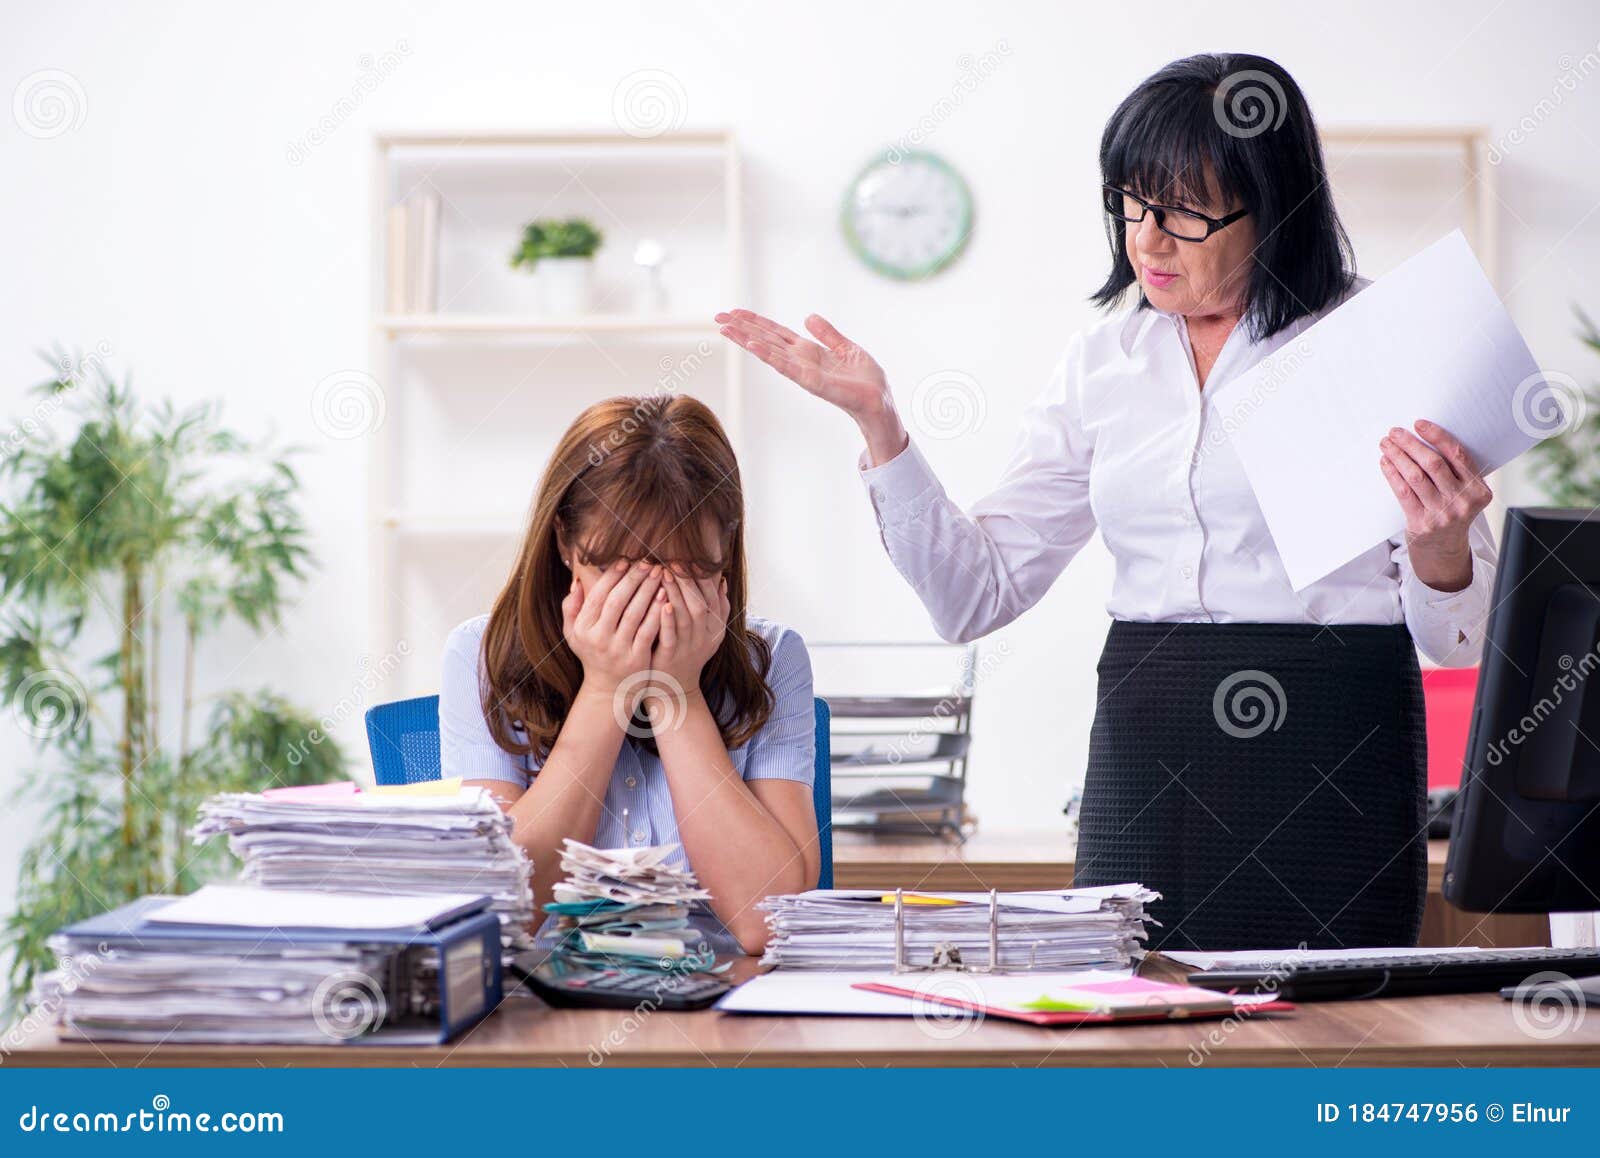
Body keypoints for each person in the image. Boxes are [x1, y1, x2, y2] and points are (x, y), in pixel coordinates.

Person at [716, 53, 1496, 950]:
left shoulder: (1379, 343)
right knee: (1131, 1004)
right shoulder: (1104, 364)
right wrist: (880, 425)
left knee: (1338, 1013)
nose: (1147, 241)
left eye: (1184, 213)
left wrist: (1442, 548)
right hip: (1148, 751)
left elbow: (1458, 641)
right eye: (1130, 204)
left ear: (1274, 205)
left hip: (1330, 749)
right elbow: (974, 596)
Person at [438, 394, 820, 955]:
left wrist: (677, 694)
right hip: (540, 994)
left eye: (684, 569)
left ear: (725, 548)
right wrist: (605, 690)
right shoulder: (480, 655)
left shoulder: (773, 658)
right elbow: (498, 908)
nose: (649, 600)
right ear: (564, 543)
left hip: (723, 992)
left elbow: (770, 921)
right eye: (617, 570)